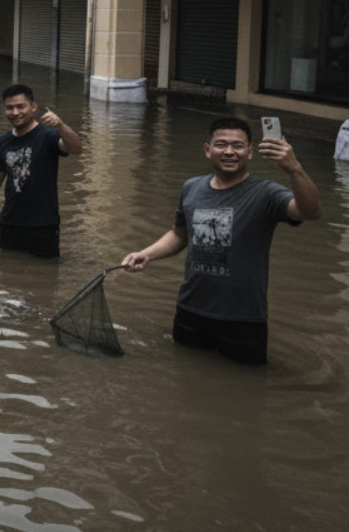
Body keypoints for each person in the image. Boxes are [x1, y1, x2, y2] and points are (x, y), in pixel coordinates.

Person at [121, 117, 321, 365]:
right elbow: (179, 234)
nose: (229, 151)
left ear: (249, 152)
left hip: (243, 318)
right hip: (190, 310)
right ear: (208, 150)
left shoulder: (267, 193)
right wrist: (147, 253)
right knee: (184, 377)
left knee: (246, 391)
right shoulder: (191, 188)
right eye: (221, 144)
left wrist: (294, 169)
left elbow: (310, 212)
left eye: (237, 146)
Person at [0, 84, 82, 258]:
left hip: (43, 224)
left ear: (33, 107)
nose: (15, 113)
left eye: (21, 106)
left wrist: (61, 125)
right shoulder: (3, 141)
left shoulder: (48, 135)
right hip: (9, 222)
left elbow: (75, 148)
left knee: (45, 276)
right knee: (8, 272)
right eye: (9, 108)